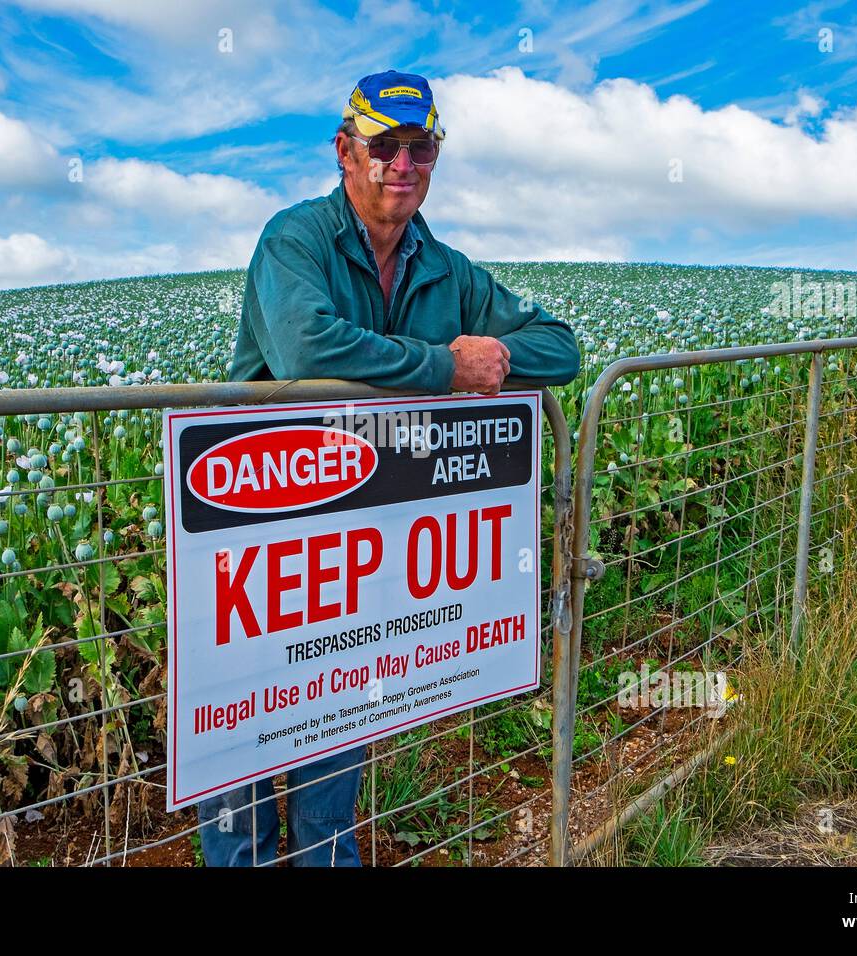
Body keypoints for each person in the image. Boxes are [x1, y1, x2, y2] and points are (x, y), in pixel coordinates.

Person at [198, 69, 581, 867]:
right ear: (346, 152)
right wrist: (445, 366)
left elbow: (562, 348)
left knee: (334, 711)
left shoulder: (447, 268)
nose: (403, 165)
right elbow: (306, 348)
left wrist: (493, 358)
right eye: (384, 146)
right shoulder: (294, 239)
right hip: (260, 523)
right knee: (239, 715)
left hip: (361, 542)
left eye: (422, 147)